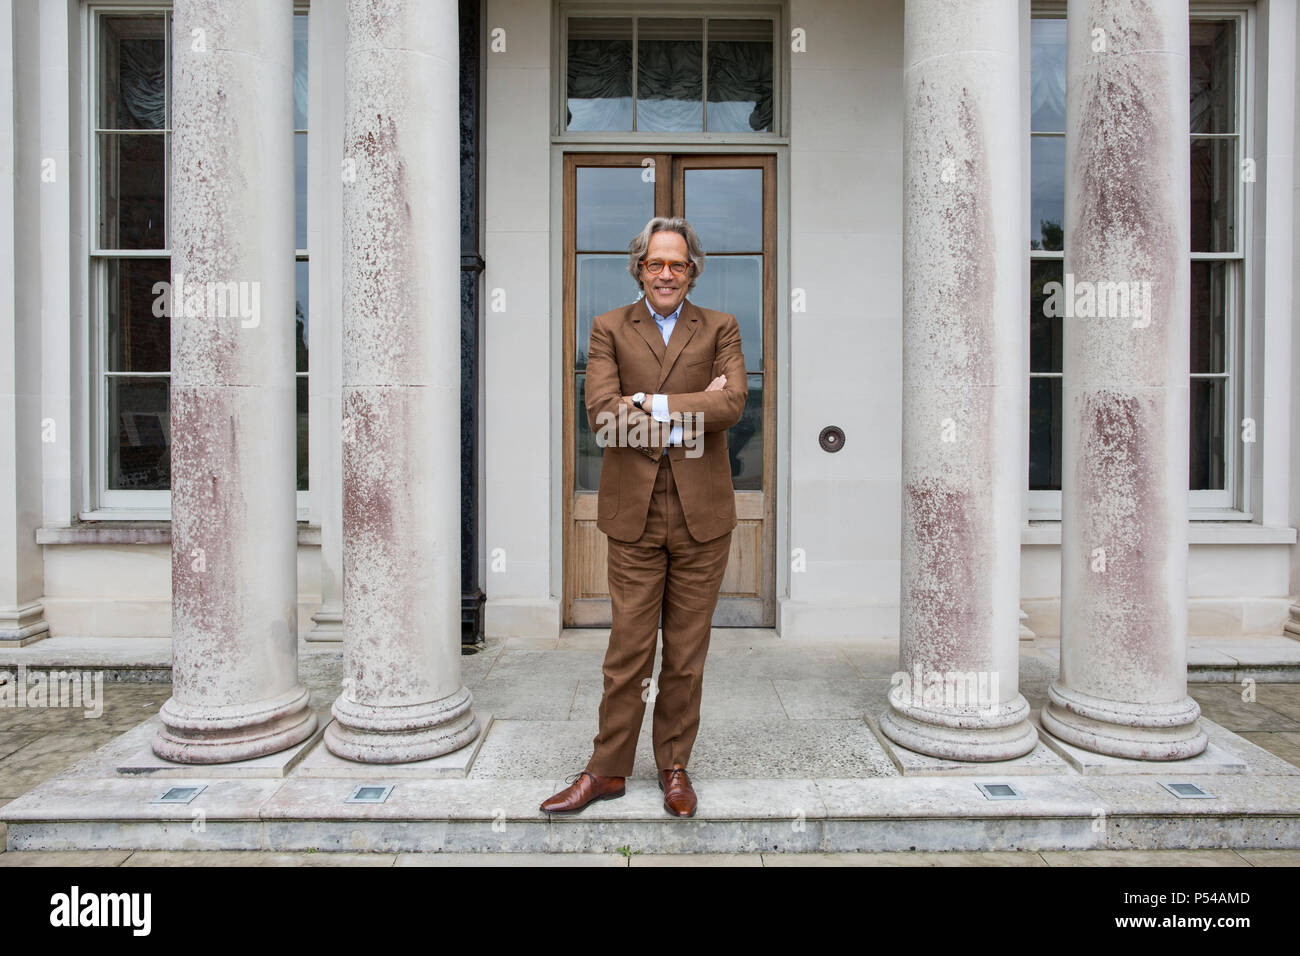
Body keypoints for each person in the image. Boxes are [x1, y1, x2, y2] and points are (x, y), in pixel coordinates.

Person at [541, 216, 746, 818]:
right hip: (633, 515)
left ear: (692, 270)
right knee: (627, 651)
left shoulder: (721, 327)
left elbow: (732, 403)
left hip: (701, 517)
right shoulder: (608, 328)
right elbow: (602, 415)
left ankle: (674, 768)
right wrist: (691, 413)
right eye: (655, 263)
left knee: (685, 654)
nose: (666, 273)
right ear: (639, 267)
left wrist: (649, 401)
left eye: (677, 264)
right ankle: (606, 770)